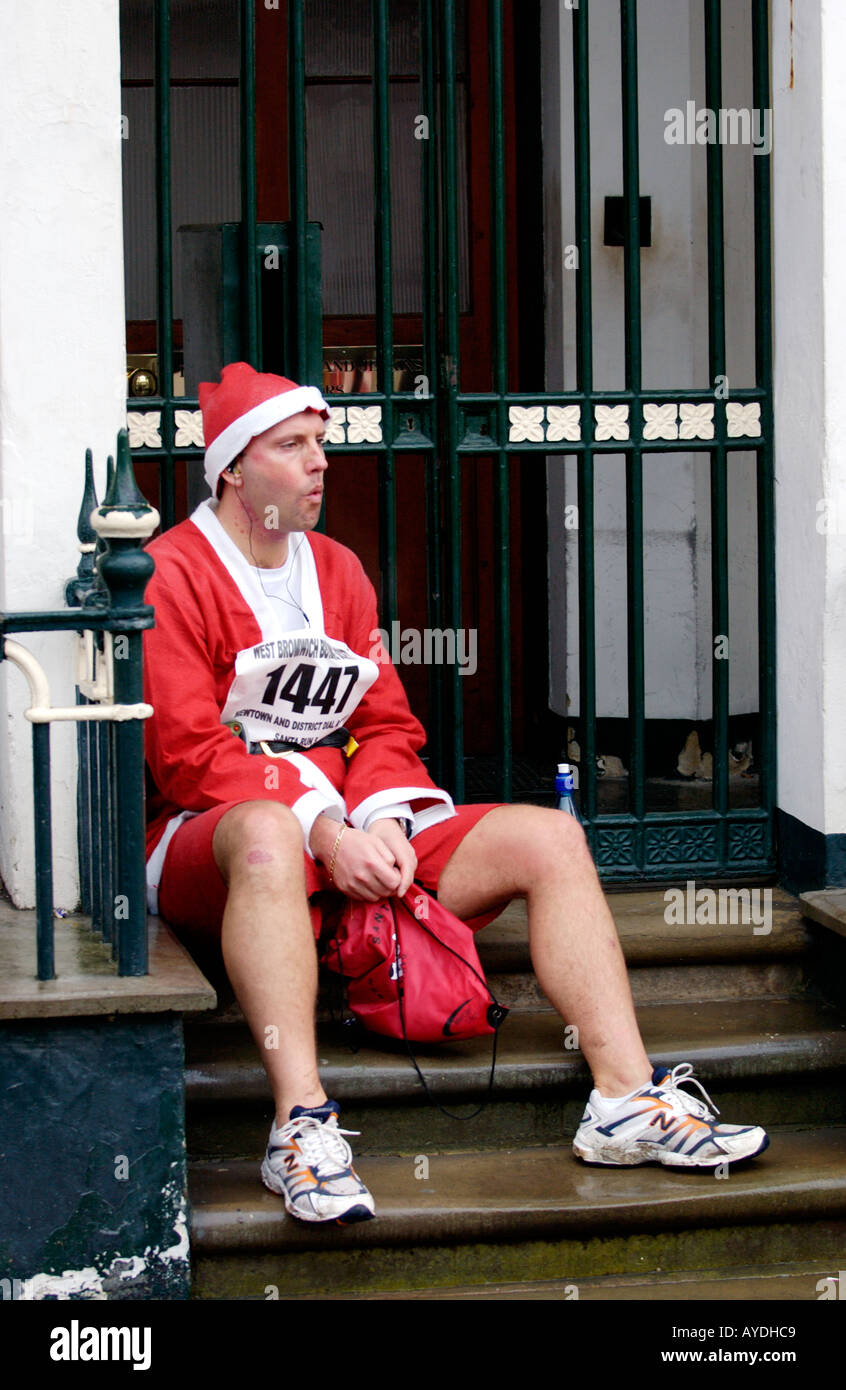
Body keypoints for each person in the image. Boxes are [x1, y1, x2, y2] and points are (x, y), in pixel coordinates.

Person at [142, 363, 769, 1226]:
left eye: (322, 444)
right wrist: (324, 827)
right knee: (263, 832)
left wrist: (382, 817)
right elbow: (186, 752)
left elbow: (387, 724)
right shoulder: (171, 572)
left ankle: (625, 1099)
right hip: (221, 846)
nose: (320, 463)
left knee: (550, 840)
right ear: (234, 470)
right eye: (293, 446)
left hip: (349, 833)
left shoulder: (339, 571)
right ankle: (301, 1128)